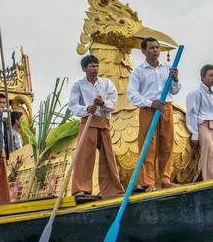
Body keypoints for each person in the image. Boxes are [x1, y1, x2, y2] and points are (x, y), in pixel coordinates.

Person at [127, 37, 180, 191]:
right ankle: (147, 182)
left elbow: (175, 91)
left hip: (166, 108)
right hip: (148, 109)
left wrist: (176, 79)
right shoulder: (138, 71)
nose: (155, 50)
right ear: (144, 51)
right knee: (148, 145)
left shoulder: (168, 68)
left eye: (157, 47)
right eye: (151, 48)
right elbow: (132, 95)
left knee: (167, 144)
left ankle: (165, 179)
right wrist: (151, 103)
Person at [68, 54, 124, 200]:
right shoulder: (78, 85)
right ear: (84, 69)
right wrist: (86, 109)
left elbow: (113, 102)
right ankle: (81, 189)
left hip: (103, 122)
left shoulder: (106, 83)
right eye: (92, 66)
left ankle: (112, 189)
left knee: (108, 156)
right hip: (88, 122)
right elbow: (72, 105)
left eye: (97, 66)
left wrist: (103, 103)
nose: (95, 69)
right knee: (85, 155)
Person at [186, 64, 213, 181]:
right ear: (202, 77)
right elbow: (192, 113)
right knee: (209, 152)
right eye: (210, 75)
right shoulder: (195, 92)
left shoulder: (211, 93)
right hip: (203, 126)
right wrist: (194, 133)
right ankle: (211, 179)